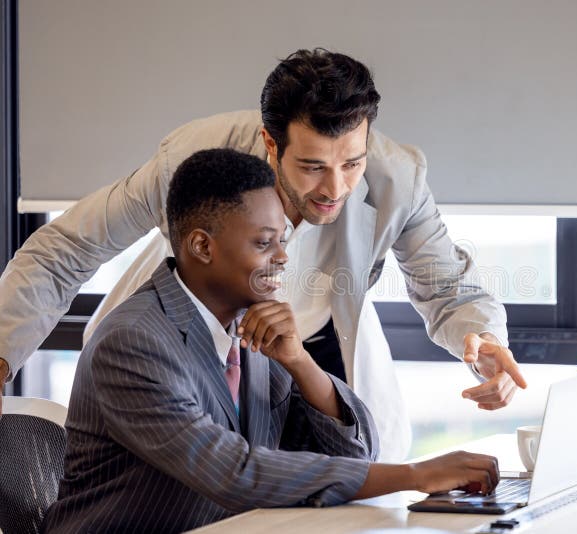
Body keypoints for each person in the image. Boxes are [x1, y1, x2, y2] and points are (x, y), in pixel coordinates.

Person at [0, 48, 527, 460]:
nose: (335, 188)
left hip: (314, 351)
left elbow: (447, 288)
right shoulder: (194, 160)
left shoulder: (400, 178)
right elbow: (65, 248)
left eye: (353, 164)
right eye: (313, 166)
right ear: (271, 145)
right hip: (189, 348)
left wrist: (481, 339)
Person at [42, 149, 499, 533]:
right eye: (265, 243)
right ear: (202, 247)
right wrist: (414, 475)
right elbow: (235, 472)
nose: (283, 257)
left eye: (282, 239)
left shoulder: (251, 324)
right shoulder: (133, 343)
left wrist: (299, 361)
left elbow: (352, 452)